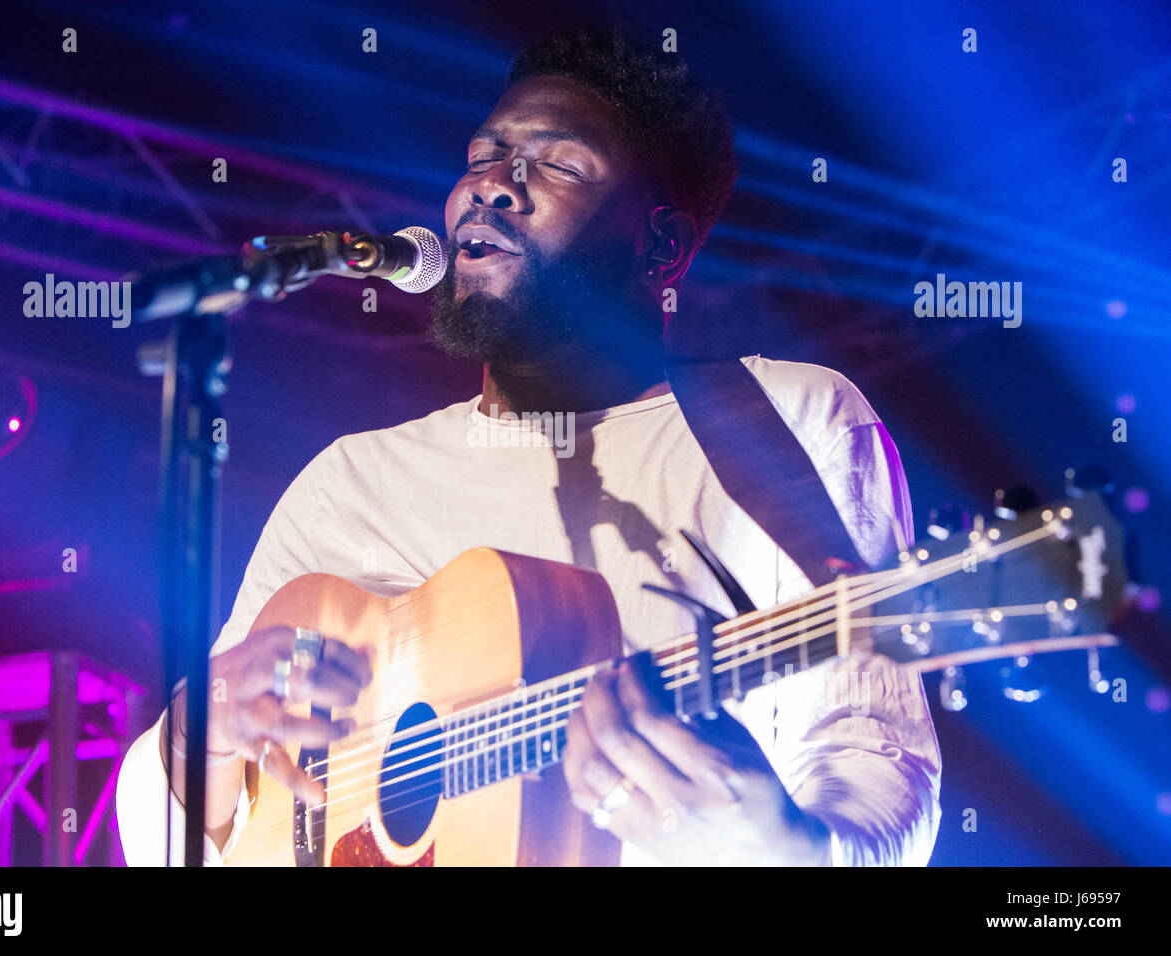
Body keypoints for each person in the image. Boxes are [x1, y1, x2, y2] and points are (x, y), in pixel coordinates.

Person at [116, 26, 941, 867]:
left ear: (661, 246)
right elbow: (176, 833)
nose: (492, 189)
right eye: (483, 155)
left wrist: (793, 845)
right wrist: (200, 731)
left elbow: (873, 749)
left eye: (558, 165)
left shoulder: (785, 419)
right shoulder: (350, 482)